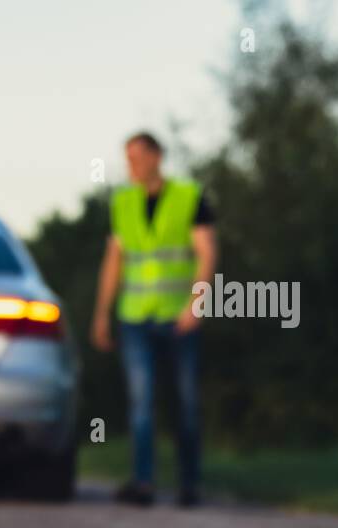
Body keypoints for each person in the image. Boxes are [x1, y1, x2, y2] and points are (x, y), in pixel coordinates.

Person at [91, 132, 217, 507]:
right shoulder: (122, 202)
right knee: (141, 401)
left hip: (178, 316)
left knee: (186, 401)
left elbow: (207, 252)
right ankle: (143, 483)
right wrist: (102, 313)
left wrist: (197, 304)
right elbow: (114, 261)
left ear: (157, 157)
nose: (132, 165)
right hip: (134, 315)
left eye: (138, 157)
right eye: (127, 158)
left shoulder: (189, 197)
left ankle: (189, 484)